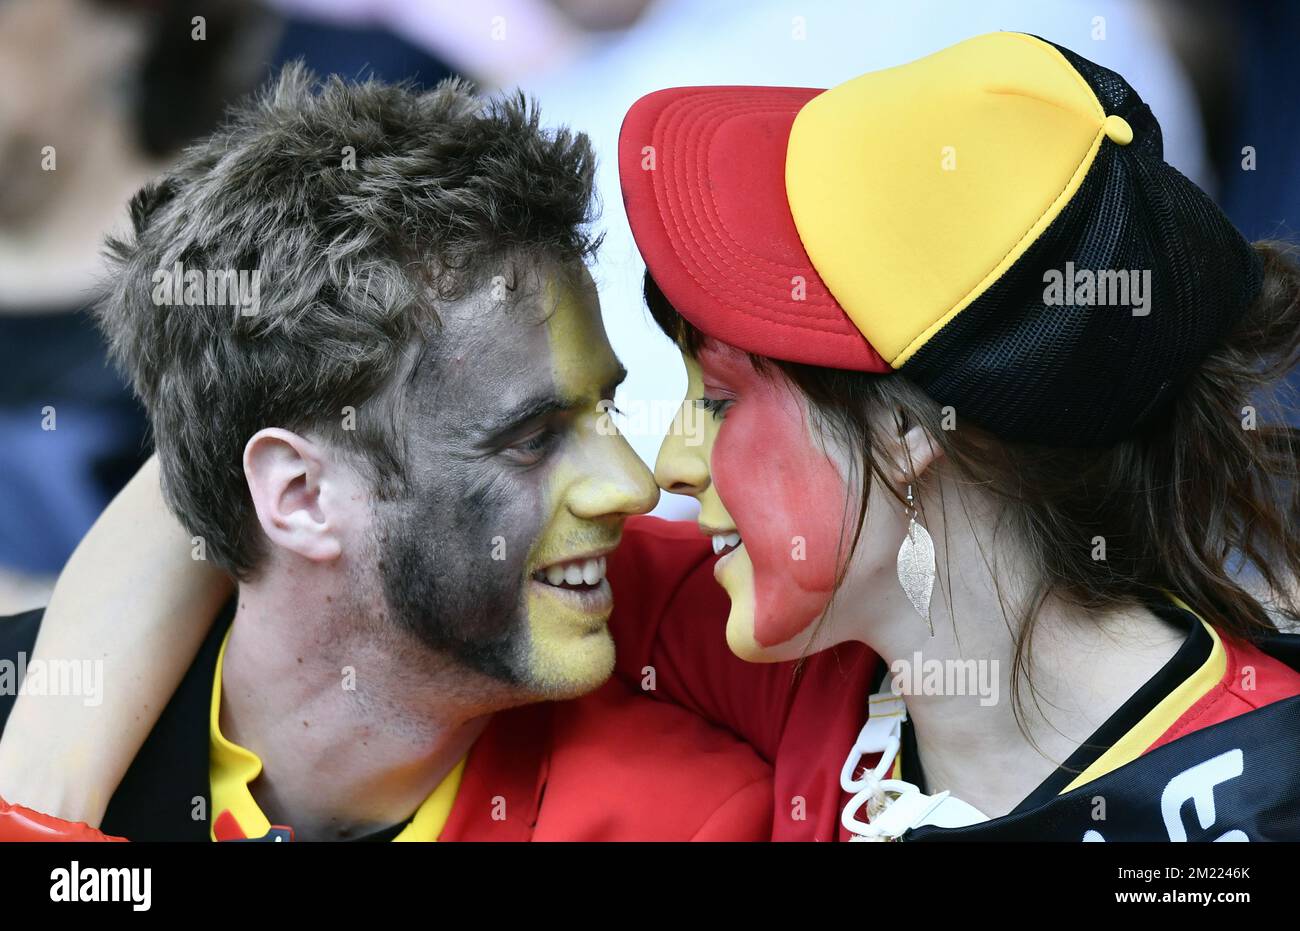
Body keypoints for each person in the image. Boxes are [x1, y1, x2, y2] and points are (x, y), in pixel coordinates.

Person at [8, 32, 1300, 842]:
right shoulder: (775, 636)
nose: (652, 473)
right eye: (552, 430)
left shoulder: (1247, 792)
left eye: (722, 398)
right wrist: (45, 786)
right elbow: (241, 484)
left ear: (914, 433)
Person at [0, 65, 777, 842]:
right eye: (534, 438)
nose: (635, 486)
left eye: (606, 410)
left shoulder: (685, 817)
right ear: (300, 494)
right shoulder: (35, 720)